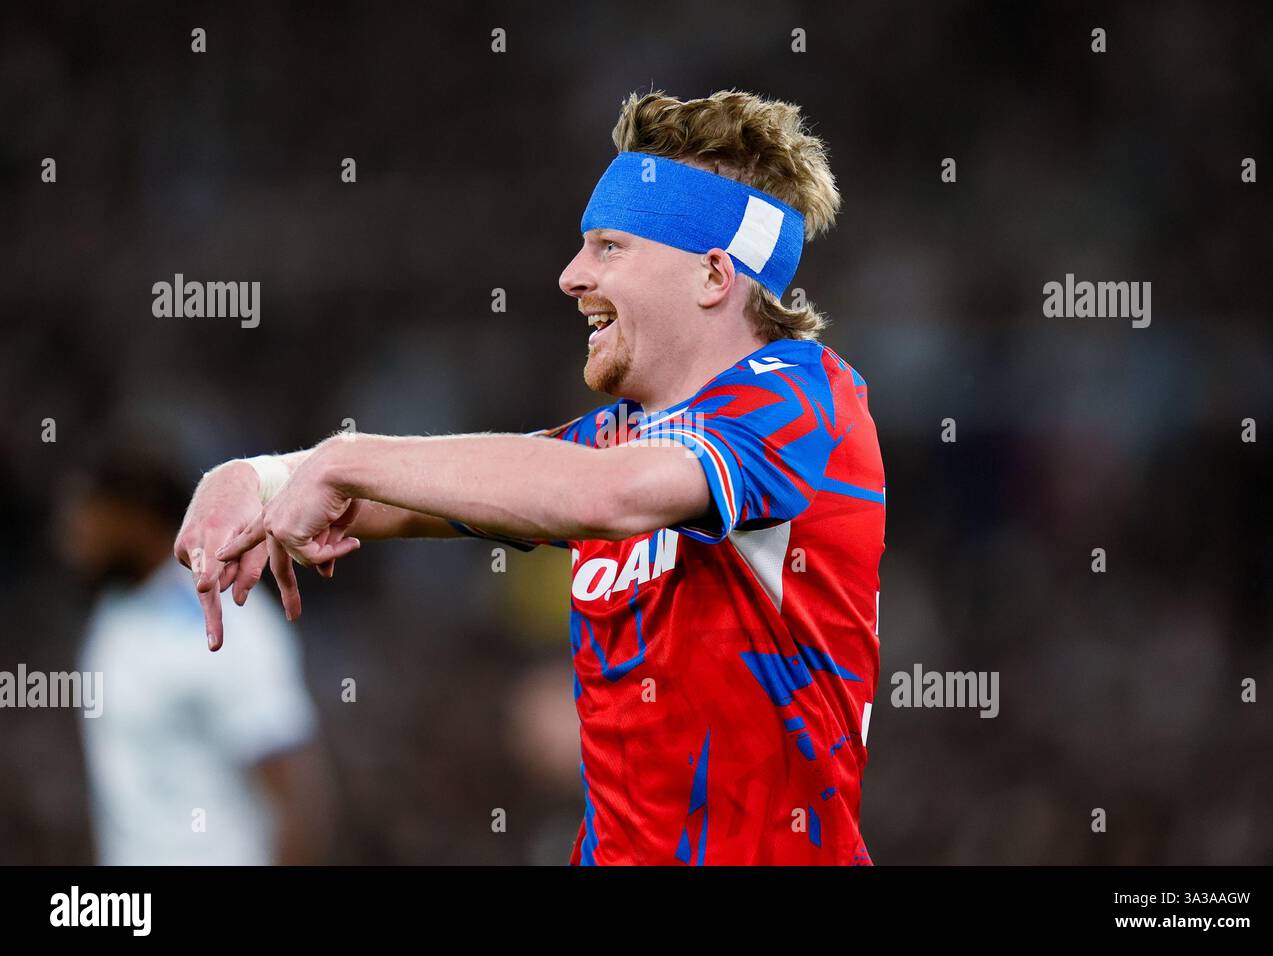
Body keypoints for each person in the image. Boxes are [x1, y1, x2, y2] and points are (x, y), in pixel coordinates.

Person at [175, 89, 886, 865]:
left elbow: (604, 497)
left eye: (610, 247)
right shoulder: (620, 439)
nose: (571, 276)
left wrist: (342, 458)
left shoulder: (800, 397)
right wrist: (259, 477)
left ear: (713, 275)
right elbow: (436, 492)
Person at [60, 434, 330, 865]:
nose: (73, 532)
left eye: (88, 512)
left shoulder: (228, 614)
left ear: (138, 515)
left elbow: (292, 793)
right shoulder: (115, 612)